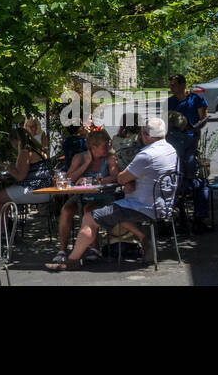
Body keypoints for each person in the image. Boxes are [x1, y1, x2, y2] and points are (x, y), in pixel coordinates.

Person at [46, 116, 178, 271]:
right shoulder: (171, 150)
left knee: (89, 216)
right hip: (163, 205)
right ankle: (143, 237)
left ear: (145, 135)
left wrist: (128, 180)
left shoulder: (146, 155)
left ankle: (72, 260)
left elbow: (121, 178)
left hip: (140, 206)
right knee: (82, 210)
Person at [52, 130, 119, 262]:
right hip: (81, 196)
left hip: (103, 196)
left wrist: (95, 181)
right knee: (66, 210)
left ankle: (95, 249)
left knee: (88, 209)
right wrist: (86, 164)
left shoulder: (110, 158)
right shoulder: (80, 157)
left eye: (108, 144)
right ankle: (62, 250)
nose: (108, 148)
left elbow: (115, 177)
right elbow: (69, 178)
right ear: (93, 147)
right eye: (104, 145)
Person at [167, 74, 212, 232]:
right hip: (174, 141)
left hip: (190, 138)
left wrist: (194, 129)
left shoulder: (196, 99)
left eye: (174, 84)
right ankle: (178, 217)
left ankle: (197, 219)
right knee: (180, 178)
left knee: (191, 174)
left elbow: (204, 118)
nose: (171, 88)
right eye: (170, 85)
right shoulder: (170, 101)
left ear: (183, 85)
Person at [0, 117, 51, 228]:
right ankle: (8, 226)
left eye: (11, 142)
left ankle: (3, 230)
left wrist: (7, 167)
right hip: (47, 190)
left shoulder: (25, 152)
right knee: (5, 195)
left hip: (35, 190)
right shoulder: (38, 149)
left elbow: (20, 176)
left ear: (16, 141)